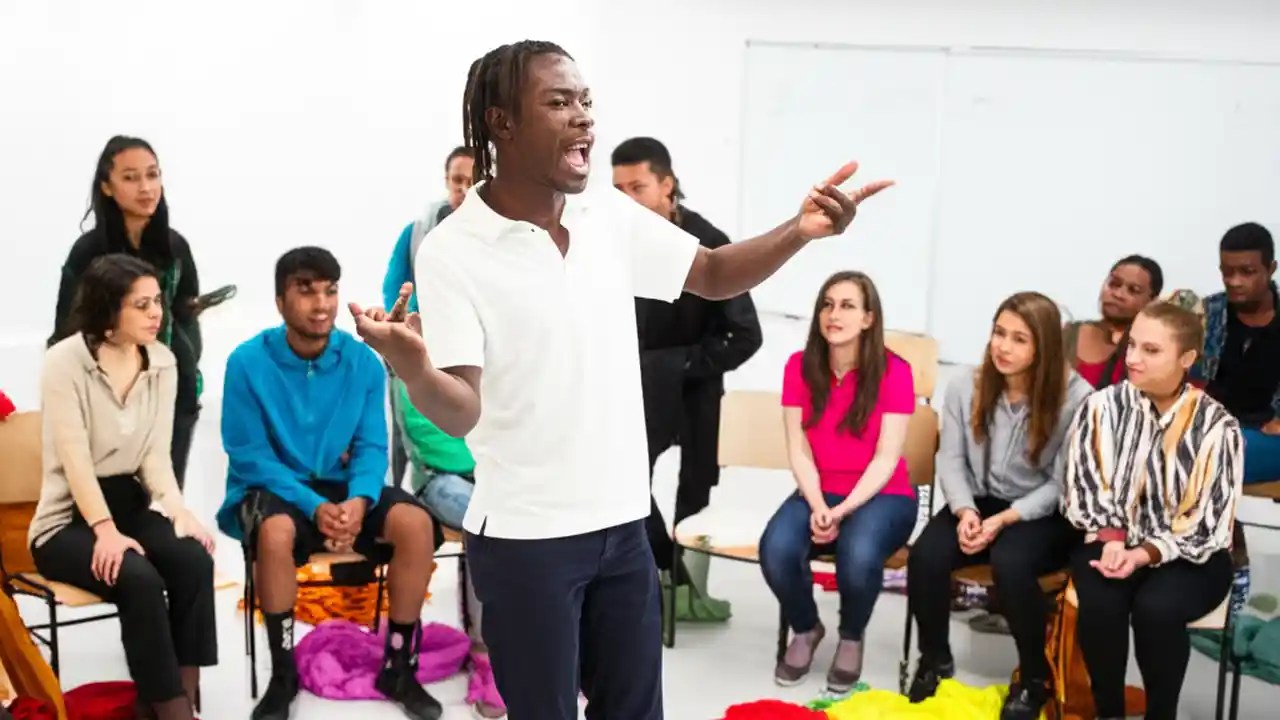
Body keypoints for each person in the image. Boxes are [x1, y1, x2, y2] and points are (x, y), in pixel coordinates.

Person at [349, 40, 891, 720]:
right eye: (558, 102)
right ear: (501, 123)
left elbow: (715, 273)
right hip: (527, 541)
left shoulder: (604, 212)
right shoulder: (454, 251)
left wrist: (803, 230)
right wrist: (412, 364)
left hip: (622, 526)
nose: (583, 119)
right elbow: (459, 410)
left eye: (585, 102)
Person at [216, 248, 441, 720]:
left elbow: (372, 446)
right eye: (306, 290)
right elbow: (249, 456)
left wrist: (360, 498)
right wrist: (313, 505)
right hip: (278, 486)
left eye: (330, 290)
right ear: (280, 301)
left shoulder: (360, 360)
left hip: (344, 488)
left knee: (416, 525)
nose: (321, 304)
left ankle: (398, 665)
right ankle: (284, 673)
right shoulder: (246, 363)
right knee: (275, 533)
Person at [29, 254, 216, 720]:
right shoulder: (63, 361)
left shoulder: (163, 362)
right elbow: (74, 462)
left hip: (128, 504)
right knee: (137, 577)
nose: (157, 314)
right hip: (66, 518)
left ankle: (181, 699)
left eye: (157, 302)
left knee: (192, 557)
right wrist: (105, 531)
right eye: (142, 305)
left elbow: (155, 456)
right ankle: (170, 709)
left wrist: (179, 511)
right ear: (108, 310)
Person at [906, 291, 1091, 719]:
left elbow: (1064, 485)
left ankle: (1033, 680)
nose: (1003, 347)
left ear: (1043, 347)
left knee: (1011, 561)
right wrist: (967, 511)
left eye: (1019, 339)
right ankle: (934, 659)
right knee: (926, 557)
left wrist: (1006, 519)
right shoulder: (964, 386)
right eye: (998, 333)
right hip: (980, 500)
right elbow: (949, 458)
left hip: (1043, 511)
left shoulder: (1079, 399)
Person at [1063, 300, 1243, 720]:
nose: (1134, 359)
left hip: (1190, 556)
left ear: (1187, 359)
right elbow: (1082, 488)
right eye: (1132, 346)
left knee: (1156, 609)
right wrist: (1111, 538)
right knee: (1102, 602)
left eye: (1152, 350)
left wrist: (1144, 552)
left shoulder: (1218, 427)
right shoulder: (1101, 407)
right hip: (1111, 537)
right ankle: (1108, 712)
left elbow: (1210, 527)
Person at [611, 136, 763, 578]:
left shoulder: (711, 243)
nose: (627, 200)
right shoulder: (612, 243)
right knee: (624, 482)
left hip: (695, 386)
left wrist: (682, 364)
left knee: (696, 491)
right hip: (634, 388)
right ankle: (661, 568)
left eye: (637, 187)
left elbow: (745, 335)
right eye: (618, 190)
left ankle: (686, 587)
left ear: (667, 185)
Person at [758, 271, 916, 693]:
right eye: (827, 304)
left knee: (858, 551)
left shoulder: (895, 371)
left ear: (868, 318)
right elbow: (799, 448)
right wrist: (817, 503)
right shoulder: (799, 367)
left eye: (847, 305)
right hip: (818, 488)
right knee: (775, 548)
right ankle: (807, 628)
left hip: (883, 493)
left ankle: (851, 635)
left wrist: (841, 511)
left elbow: (887, 458)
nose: (834, 314)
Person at [49, 136, 205, 490]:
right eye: (131, 178)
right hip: (106, 397)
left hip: (171, 390)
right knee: (111, 502)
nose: (146, 188)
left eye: (152, 175)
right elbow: (65, 330)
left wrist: (189, 370)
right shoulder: (88, 252)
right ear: (107, 186)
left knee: (164, 499)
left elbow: (187, 317)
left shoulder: (175, 247)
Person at [390, 377, 506, 718]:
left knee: (534, 520)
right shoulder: (411, 361)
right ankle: (488, 657)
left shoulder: (486, 356)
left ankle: (549, 643)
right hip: (440, 478)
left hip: (493, 474)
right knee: (488, 524)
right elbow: (425, 439)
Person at [382, 147, 477, 486]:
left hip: (476, 351)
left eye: (471, 181)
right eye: (456, 180)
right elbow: (394, 289)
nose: (463, 189)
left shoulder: (500, 234)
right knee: (406, 435)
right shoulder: (418, 232)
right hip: (423, 346)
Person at [1194, 222, 1280, 484]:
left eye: (1247, 272)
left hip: (1267, 434)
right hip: (1208, 428)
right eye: (1227, 272)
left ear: (1271, 269)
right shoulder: (1208, 314)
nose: (1235, 281)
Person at [1064, 255, 1163, 389]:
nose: (1118, 294)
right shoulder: (1068, 335)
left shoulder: (1150, 351)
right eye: (1114, 284)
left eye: (1133, 290)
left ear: (1152, 301)